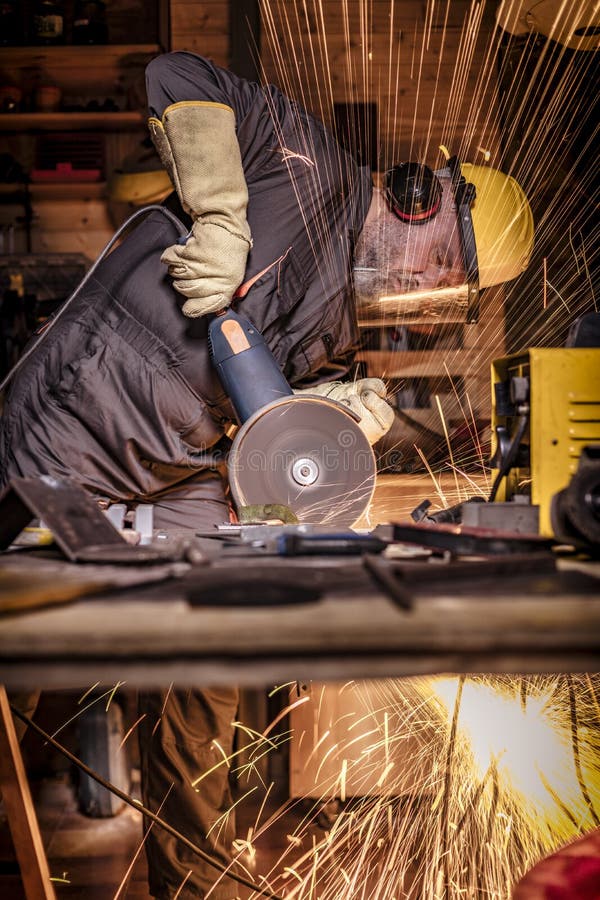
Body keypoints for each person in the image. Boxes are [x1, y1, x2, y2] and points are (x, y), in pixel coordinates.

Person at [0, 51, 533, 899]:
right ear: (422, 196)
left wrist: (338, 406)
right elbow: (178, 74)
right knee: (19, 647)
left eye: (450, 283)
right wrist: (218, 217)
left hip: (183, 468)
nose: (428, 285)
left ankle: (199, 883)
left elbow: (268, 412)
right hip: (77, 422)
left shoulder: (342, 309)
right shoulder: (301, 155)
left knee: (210, 655)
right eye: (444, 261)